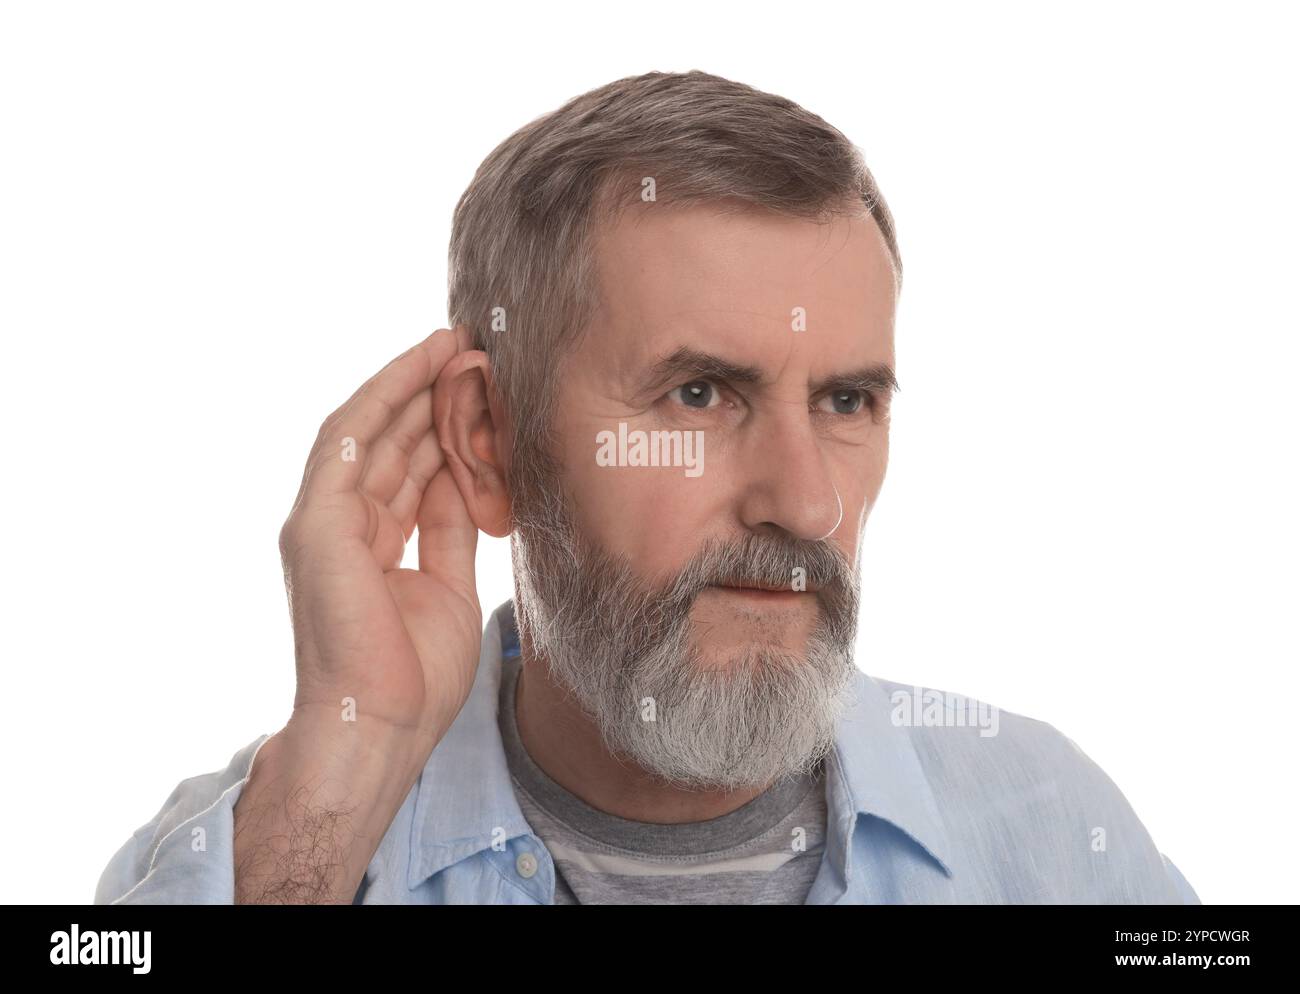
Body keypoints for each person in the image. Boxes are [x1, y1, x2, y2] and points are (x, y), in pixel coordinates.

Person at [95, 70, 1199, 905]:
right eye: (701, 394)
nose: (807, 504)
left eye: (847, 401)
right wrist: (347, 769)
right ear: (489, 440)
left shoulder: (1055, 832)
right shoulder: (272, 849)